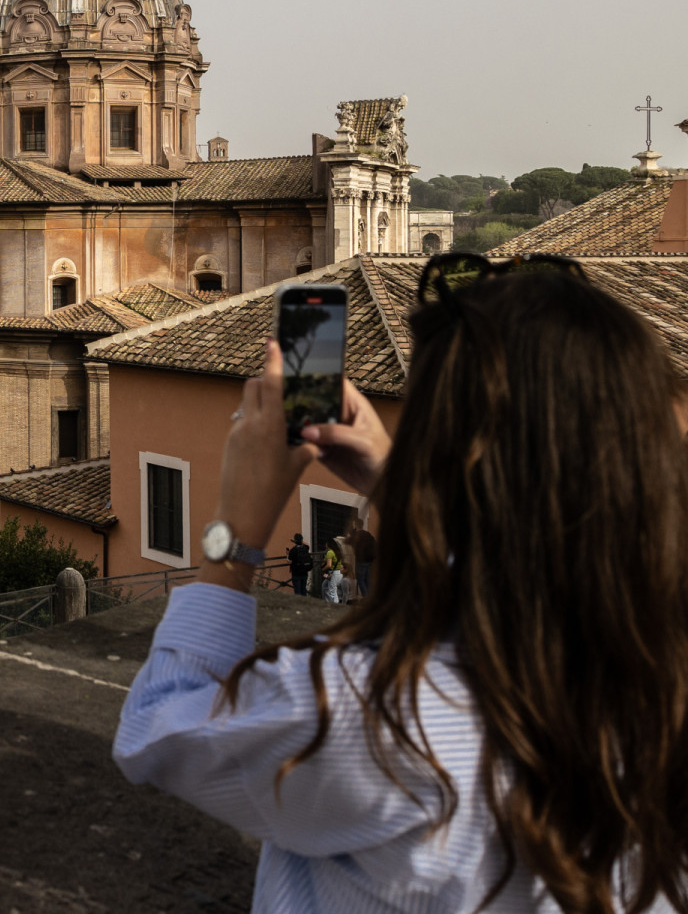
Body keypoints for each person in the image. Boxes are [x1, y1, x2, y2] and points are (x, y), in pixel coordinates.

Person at [114, 257, 688, 911]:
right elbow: (522, 566)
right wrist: (403, 481)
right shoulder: (661, 681)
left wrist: (234, 531)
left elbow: (159, 732)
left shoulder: (371, 717)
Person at [350, 519, 377, 599]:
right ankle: (370, 597)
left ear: (356, 525)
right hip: (369, 560)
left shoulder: (357, 535)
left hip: (361, 560)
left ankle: (366, 598)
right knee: (367, 579)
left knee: (360, 579)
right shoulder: (367, 534)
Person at [284, 532, 312, 597]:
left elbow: (289, 562)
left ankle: (299, 605)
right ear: (302, 540)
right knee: (303, 590)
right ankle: (305, 605)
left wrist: (287, 554)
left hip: (296, 573)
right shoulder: (305, 548)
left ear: (295, 540)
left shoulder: (293, 550)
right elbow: (307, 544)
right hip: (304, 572)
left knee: (297, 591)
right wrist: (296, 541)